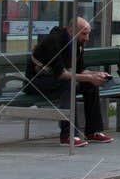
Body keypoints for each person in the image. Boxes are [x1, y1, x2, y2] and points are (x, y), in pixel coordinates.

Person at [29, 18, 112, 147]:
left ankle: (93, 131)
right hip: (37, 82)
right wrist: (90, 77)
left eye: (88, 34)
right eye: (84, 34)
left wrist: (95, 74)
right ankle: (68, 135)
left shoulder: (77, 43)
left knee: (90, 85)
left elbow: (80, 70)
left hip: (55, 79)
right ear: (72, 30)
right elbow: (61, 74)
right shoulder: (54, 41)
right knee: (70, 85)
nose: (87, 38)